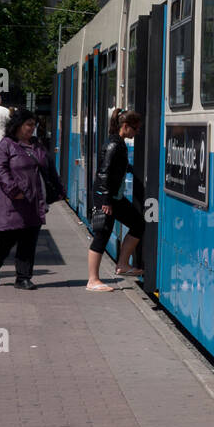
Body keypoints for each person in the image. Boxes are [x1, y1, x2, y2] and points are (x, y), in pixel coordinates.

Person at [0, 108, 66, 289]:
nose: (32, 128)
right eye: (29, 125)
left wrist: (59, 189)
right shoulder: (5, 145)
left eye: (34, 125)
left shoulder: (37, 145)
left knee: (29, 241)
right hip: (12, 202)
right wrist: (15, 191)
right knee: (5, 240)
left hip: (34, 201)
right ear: (18, 125)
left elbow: (49, 169)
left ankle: (23, 278)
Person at [87, 109, 146, 292]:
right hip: (108, 197)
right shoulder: (115, 144)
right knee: (102, 234)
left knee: (138, 223)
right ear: (125, 126)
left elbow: (115, 166)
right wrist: (105, 200)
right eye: (135, 129)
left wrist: (128, 168)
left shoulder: (118, 142)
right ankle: (92, 280)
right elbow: (103, 172)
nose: (136, 133)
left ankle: (122, 265)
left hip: (114, 197)